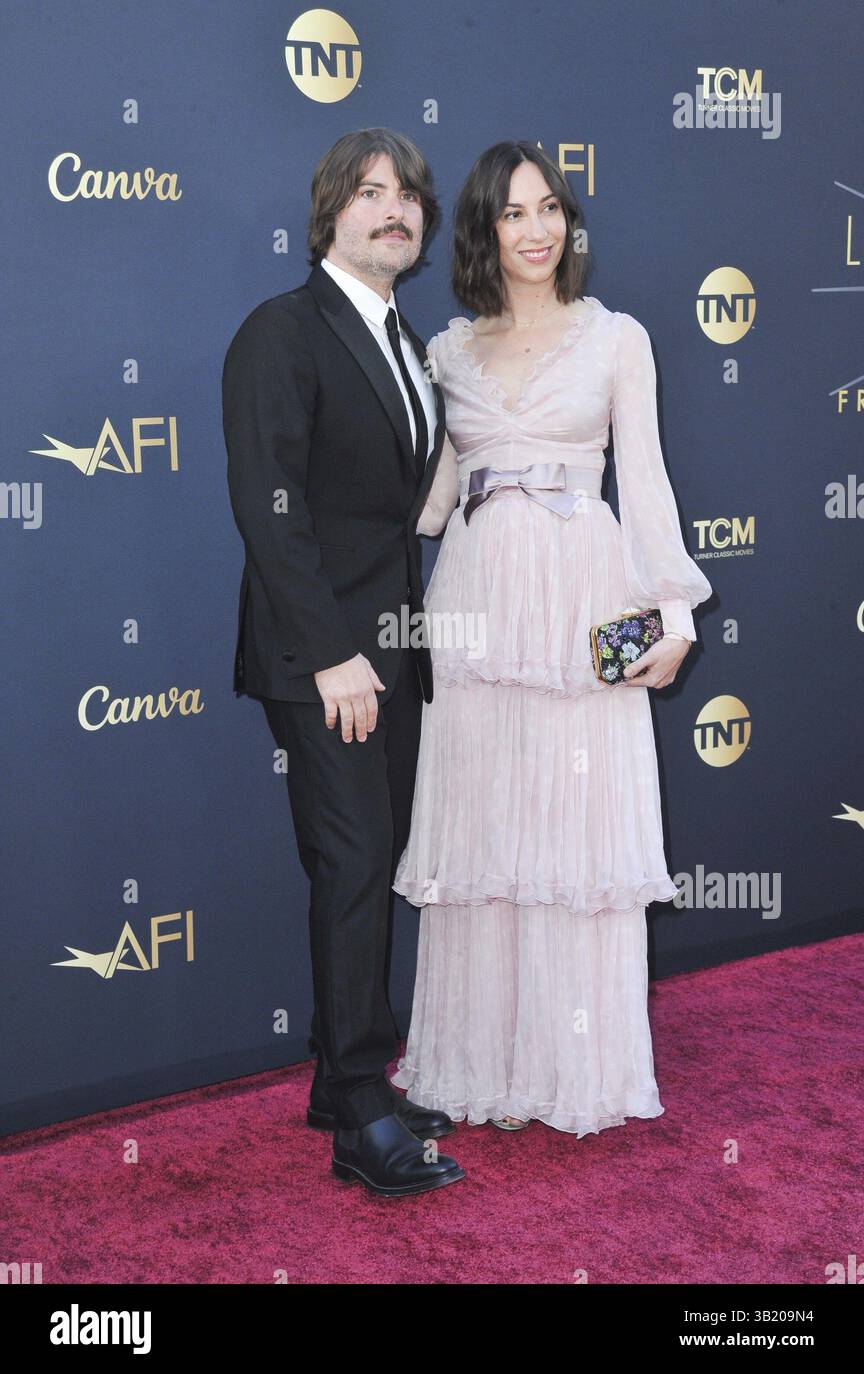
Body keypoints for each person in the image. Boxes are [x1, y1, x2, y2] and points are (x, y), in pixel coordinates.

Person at [392, 141, 714, 1134]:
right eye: (513, 213)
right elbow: (429, 504)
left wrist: (675, 609)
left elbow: (647, 483)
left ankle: (578, 1071)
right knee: (485, 833)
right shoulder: (446, 352)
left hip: (590, 593)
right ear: (485, 231)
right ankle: (476, 1065)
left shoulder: (618, 338)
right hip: (474, 609)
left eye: (550, 209)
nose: (536, 230)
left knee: (580, 835)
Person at [222, 129, 465, 1196]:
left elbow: (400, 509)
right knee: (358, 864)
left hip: (395, 655)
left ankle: (342, 1075)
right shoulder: (284, 330)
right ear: (330, 213)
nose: (394, 211)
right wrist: (332, 656)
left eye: (408, 196)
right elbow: (268, 510)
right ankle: (363, 1113)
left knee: (367, 865)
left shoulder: (405, 339)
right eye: (371, 194)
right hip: (324, 662)